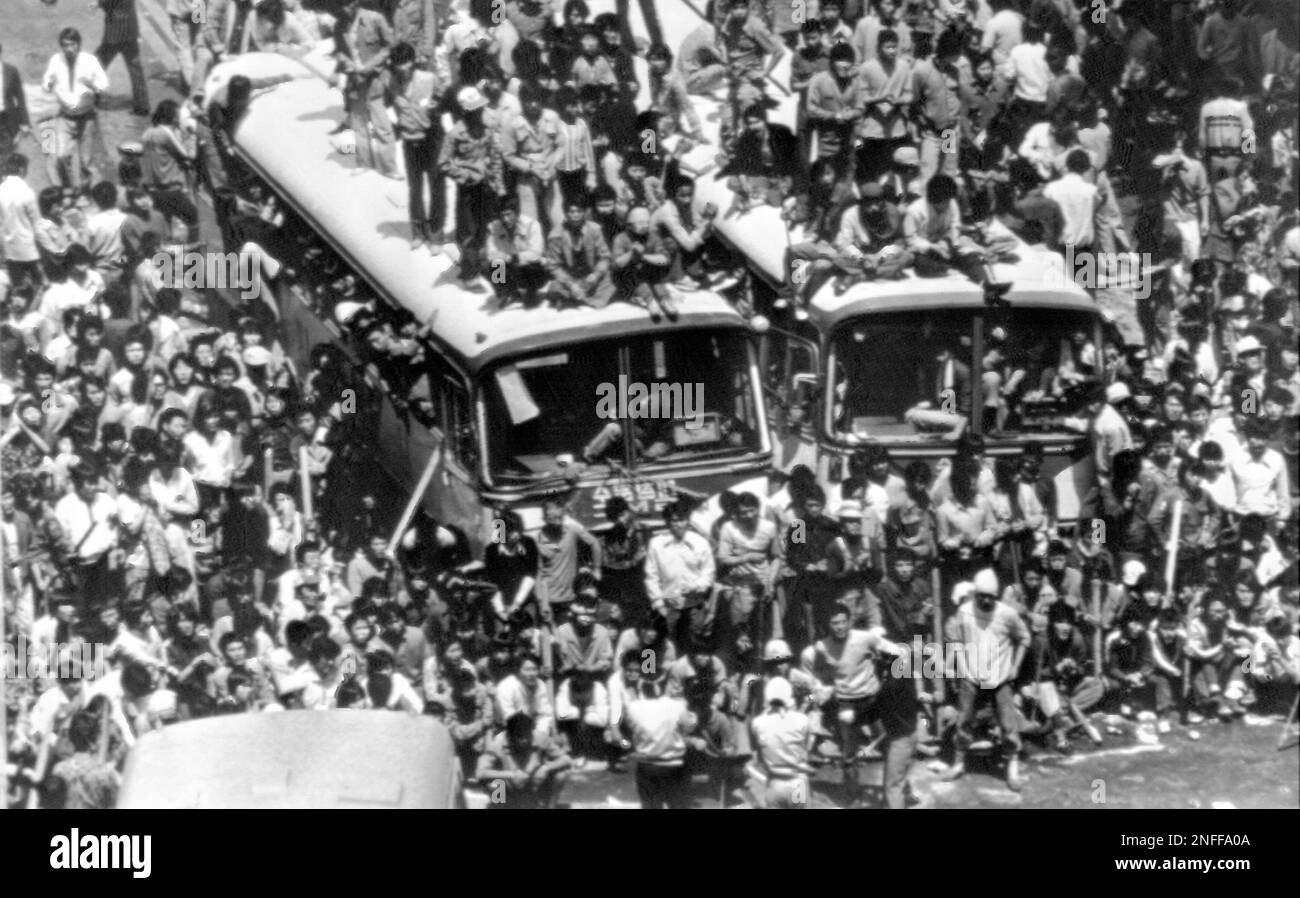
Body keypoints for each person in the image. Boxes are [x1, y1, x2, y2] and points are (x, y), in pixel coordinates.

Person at [942, 568, 1031, 791]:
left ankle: (1012, 767)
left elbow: (1024, 638)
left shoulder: (1007, 614)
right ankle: (959, 763)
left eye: (990, 596)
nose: (985, 600)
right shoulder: (964, 611)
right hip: (971, 676)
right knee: (964, 722)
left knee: (1008, 725)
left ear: (996, 596)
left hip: (999, 678)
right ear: (975, 594)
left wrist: (1015, 667)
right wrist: (958, 665)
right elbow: (957, 640)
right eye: (982, 595)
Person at [388, 41, 445, 251]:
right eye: (398, 64)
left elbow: (442, 96)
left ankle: (436, 234)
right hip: (410, 140)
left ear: (412, 62)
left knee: (436, 187)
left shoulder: (428, 79)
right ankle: (418, 231)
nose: (402, 67)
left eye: (405, 62)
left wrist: (435, 107)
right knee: (415, 189)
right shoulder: (392, 84)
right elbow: (390, 106)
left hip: (431, 138)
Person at [334, 0, 397, 178]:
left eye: (346, 5)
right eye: (341, 6)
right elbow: (339, 51)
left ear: (355, 4)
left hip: (374, 80)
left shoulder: (376, 19)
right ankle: (364, 162)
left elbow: (390, 46)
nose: (344, 9)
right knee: (359, 125)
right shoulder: (340, 25)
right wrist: (347, 64)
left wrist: (369, 66)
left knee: (382, 125)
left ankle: (389, 167)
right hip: (354, 81)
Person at [43, 29, 110, 192]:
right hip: (65, 116)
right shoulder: (56, 61)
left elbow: (104, 84)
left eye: (72, 44)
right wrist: (49, 84)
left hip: (87, 117)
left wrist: (92, 85)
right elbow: (46, 83)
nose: (68, 48)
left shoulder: (90, 61)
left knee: (85, 160)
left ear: (78, 44)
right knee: (60, 155)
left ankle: (86, 190)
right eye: (65, 45)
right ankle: (68, 188)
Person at [645, 500, 716, 651]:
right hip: (666, 606)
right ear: (667, 522)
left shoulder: (700, 543)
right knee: (653, 645)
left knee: (693, 646)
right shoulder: (656, 544)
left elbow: (708, 573)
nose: (677, 524)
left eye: (681, 520)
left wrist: (697, 586)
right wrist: (658, 604)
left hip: (693, 606)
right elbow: (651, 576)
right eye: (673, 520)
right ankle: (647, 672)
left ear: (688, 521)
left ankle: (688, 674)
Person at [624, 670, 696, 809]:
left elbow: (632, 727)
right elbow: (689, 727)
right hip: (674, 766)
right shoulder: (677, 705)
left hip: (647, 768)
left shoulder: (633, 707)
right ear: (664, 686)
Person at [475, 711, 572, 808]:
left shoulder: (540, 737)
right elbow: (480, 773)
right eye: (519, 736)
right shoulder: (497, 744)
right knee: (494, 784)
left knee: (561, 774)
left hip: (534, 783)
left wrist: (546, 768)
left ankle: (549, 806)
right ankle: (500, 806)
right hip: (508, 787)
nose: (524, 740)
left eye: (527, 735)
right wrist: (511, 775)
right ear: (510, 735)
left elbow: (566, 759)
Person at [747, 675, 814, 808]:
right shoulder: (802, 720)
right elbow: (806, 747)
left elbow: (758, 749)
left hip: (774, 784)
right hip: (797, 782)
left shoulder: (758, 723)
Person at [96, 0, 150, 118]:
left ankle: (88, 94)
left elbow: (108, 3)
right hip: (130, 28)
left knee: (97, 62)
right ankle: (143, 105)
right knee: (135, 69)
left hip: (115, 30)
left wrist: (99, 3)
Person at [0, 43, 33, 159]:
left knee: (8, 158)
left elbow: (20, 97)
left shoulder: (10, 71)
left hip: (6, 121)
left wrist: (25, 122)